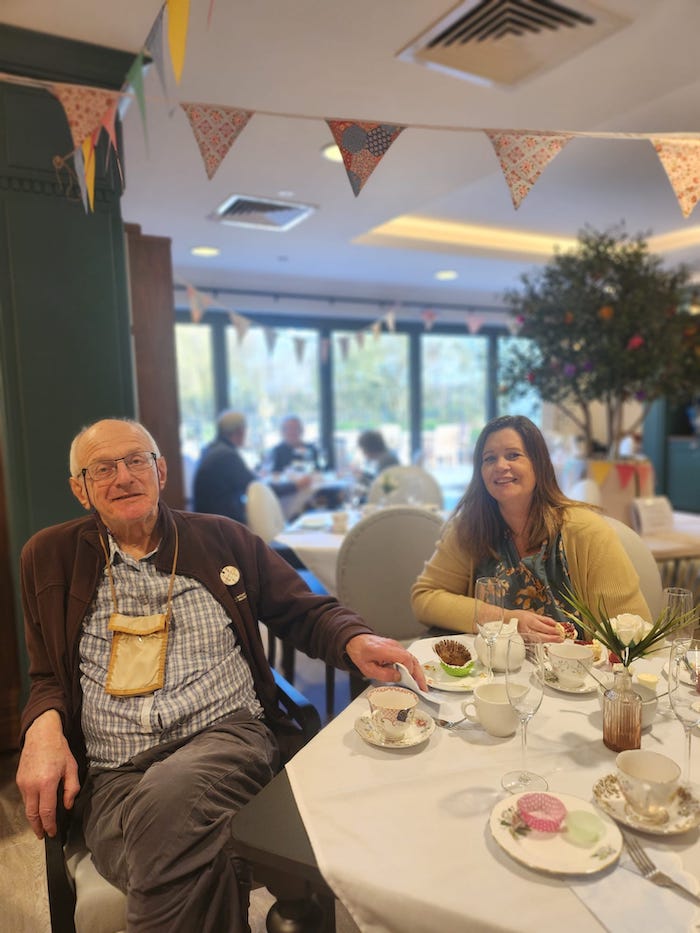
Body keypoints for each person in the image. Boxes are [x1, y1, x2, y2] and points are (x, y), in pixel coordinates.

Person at [16, 417, 426, 933]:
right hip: (114, 775)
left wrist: (354, 638)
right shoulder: (48, 557)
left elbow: (302, 609)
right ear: (81, 489)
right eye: (103, 468)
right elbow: (47, 674)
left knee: (170, 803)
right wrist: (42, 726)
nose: (123, 477)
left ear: (161, 471)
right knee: (180, 843)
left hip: (225, 739)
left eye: (136, 460)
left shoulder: (221, 539)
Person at [411, 415, 650, 639]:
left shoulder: (587, 531)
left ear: (539, 464)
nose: (500, 465)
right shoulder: (471, 527)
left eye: (513, 455)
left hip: (577, 677)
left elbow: (632, 628)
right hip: (491, 676)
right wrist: (506, 619)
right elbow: (425, 598)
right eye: (489, 458)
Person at [192, 410, 310, 523]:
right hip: (221, 525)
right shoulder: (227, 455)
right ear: (240, 431)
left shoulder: (212, 449)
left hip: (207, 520)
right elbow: (259, 488)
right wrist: (295, 486)